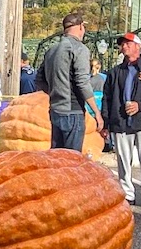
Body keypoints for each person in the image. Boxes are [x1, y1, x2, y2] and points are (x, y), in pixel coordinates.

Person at [101, 32, 141, 205]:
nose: (124, 46)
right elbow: (107, 97)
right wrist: (105, 122)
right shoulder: (115, 72)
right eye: (122, 44)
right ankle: (127, 193)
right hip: (120, 122)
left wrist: (140, 105)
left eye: (128, 43)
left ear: (138, 46)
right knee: (123, 160)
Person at [36, 12, 101, 151]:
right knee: (72, 161)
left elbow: (39, 80)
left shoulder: (51, 51)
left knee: (57, 159)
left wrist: (55, 92)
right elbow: (82, 82)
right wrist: (97, 112)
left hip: (55, 110)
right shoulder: (79, 49)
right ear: (81, 27)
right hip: (73, 111)